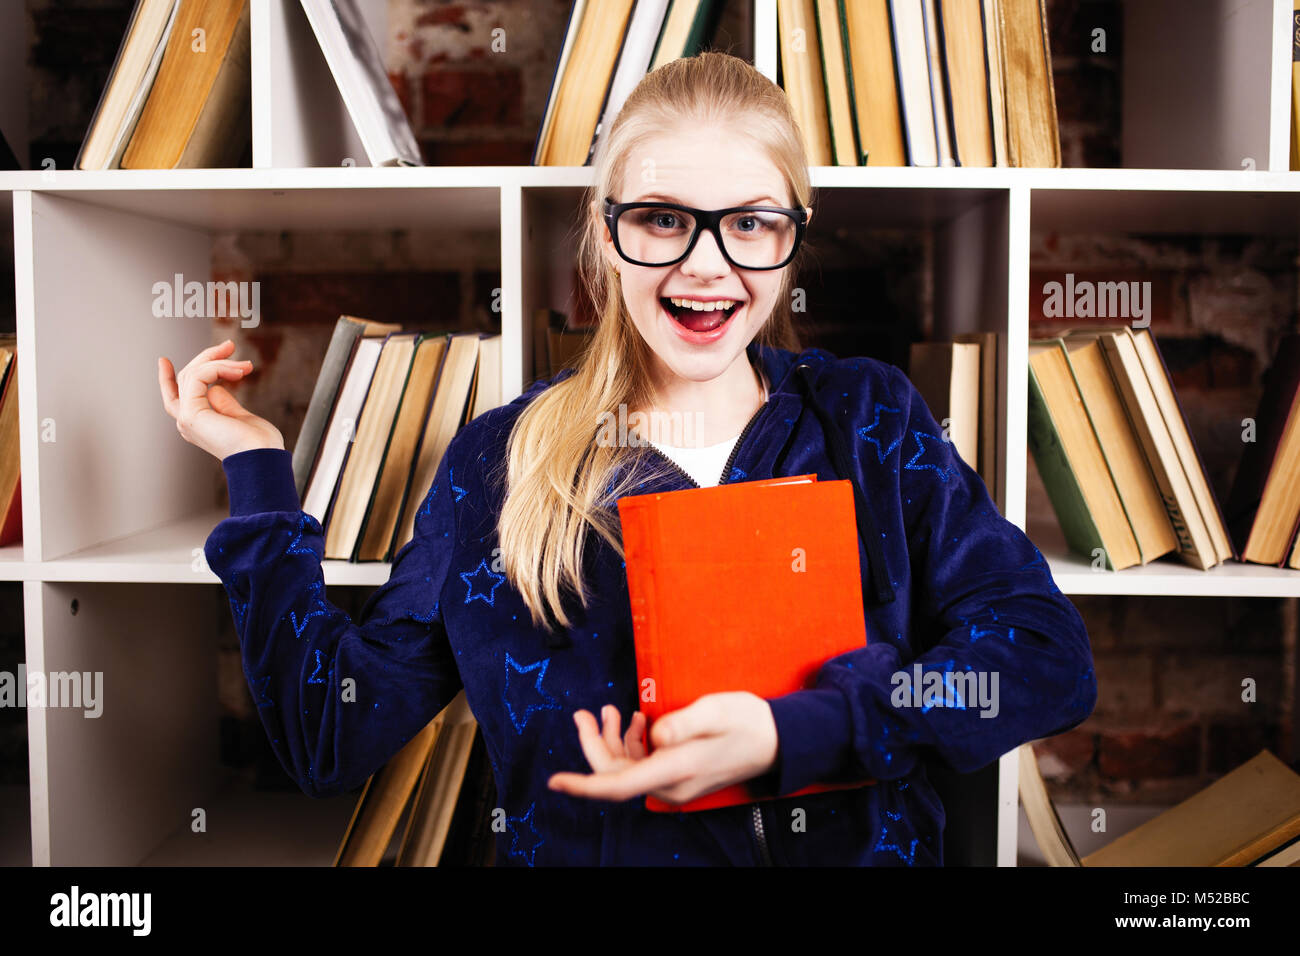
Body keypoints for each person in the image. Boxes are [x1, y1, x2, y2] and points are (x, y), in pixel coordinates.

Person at [157, 52, 1096, 866]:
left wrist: (797, 728)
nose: (706, 264)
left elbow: (1042, 660)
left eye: (751, 222)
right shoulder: (501, 459)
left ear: (792, 238)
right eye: (660, 218)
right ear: (605, 235)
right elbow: (330, 732)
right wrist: (257, 472)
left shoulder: (869, 421)